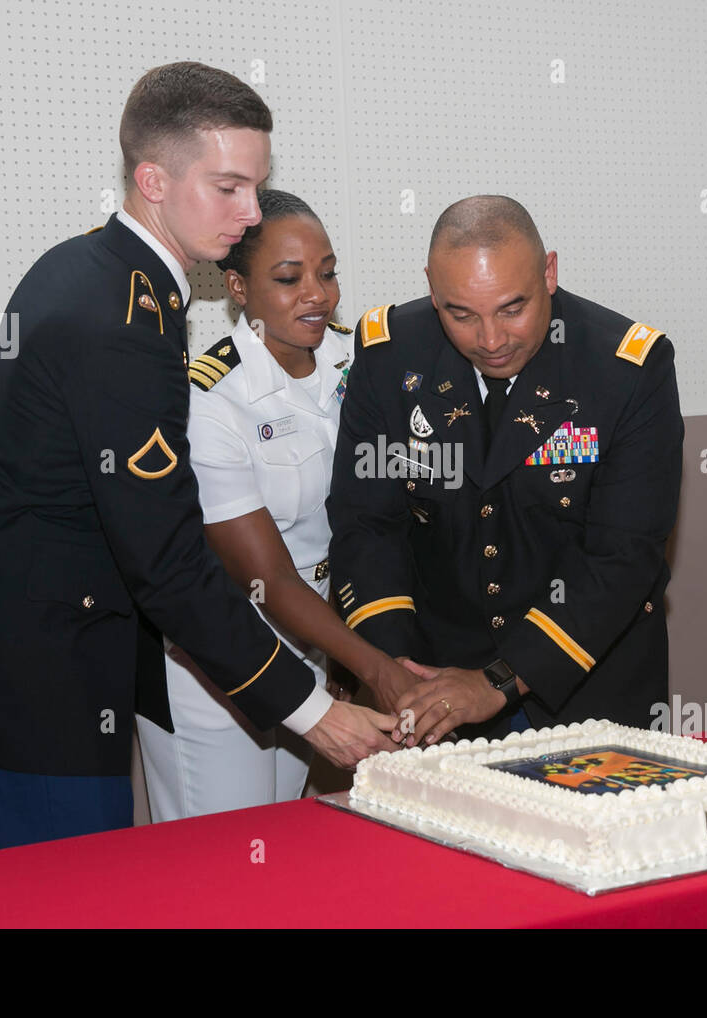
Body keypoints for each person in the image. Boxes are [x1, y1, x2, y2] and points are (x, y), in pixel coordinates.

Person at [0, 62, 395, 854]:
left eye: (258, 188)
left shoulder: (102, 271)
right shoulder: (117, 319)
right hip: (37, 685)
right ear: (152, 179)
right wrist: (313, 712)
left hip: (46, 662)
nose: (250, 212)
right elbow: (166, 559)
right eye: (228, 187)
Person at [327, 195, 683, 749]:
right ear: (430, 287)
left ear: (550, 272)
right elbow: (367, 523)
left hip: (587, 690)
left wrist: (499, 679)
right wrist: (391, 668)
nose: (490, 340)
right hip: (433, 691)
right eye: (460, 314)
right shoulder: (390, 354)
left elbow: (623, 556)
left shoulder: (625, 369)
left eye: (513, 309)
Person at [137, 190, 423, 819]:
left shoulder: (363, 362)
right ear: (237, 287)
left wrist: (355, 648)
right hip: (221, 660)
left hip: (326, 644)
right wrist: (372, 663)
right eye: (289, 278)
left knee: (282, 847)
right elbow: (264, 575)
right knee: (220, 863)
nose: (317, 294)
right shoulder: (212, 398)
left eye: (328, 272)